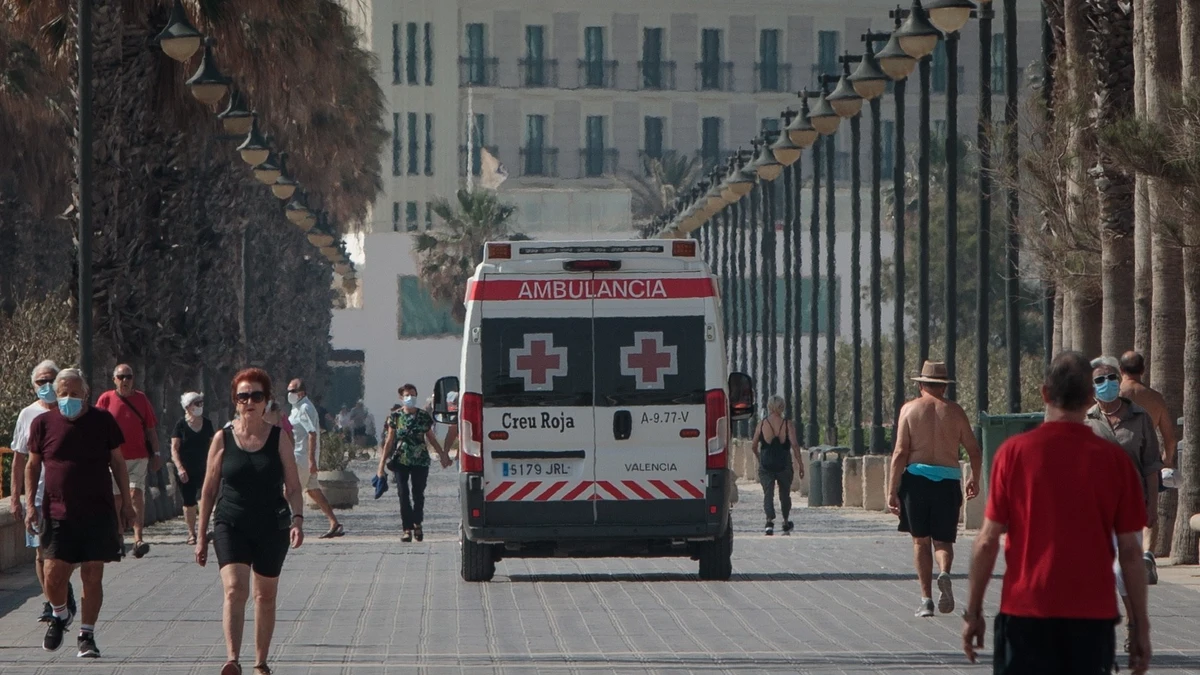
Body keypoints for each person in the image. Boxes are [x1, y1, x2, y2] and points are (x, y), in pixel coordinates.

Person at [962, 352, 1151, 675]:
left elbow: (986, 541)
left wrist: (974, 612)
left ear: (1045, 393)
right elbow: (1131, 552)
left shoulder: (1013, 454)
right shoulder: (1115, 462)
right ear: (1090, 398)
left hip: (1025, 612)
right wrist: (1140, 628)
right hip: (1091, 617)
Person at [196, 368, 305, 675]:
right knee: (234, 589)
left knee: (264, 595)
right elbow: (209, 489)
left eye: (256, 396)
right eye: (243, 396)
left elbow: (293, 487)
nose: (249, 402)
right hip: (231, 523)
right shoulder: (222, 438)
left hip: (271, 525)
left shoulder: (279, 438)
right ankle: (232, 659)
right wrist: (201, 535)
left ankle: (260, 662)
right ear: (235, 401)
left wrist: (298, 519)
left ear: (266, 400)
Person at [25, 368, 134, 657]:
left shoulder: (102, 420)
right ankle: (60, 613)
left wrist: (127, 503)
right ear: (55, 394)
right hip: (56, 511)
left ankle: (87, 635)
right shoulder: (42, 423)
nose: (68, 398)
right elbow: (32, 465)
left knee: (92, 573)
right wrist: (29, 506)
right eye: (63, 393)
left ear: (86, 394)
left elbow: (118, 462)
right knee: (52, 572)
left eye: (74, 393)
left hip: (97, 511)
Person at [888, 361, 982, 618]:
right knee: (943, 540)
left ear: (921, 385)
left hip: (916, 481)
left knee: (920, 541)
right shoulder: (955, 412)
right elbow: (974, 451)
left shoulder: (909, 410)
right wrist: (974, 478)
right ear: (944, 387)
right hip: (948, 482)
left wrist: (892, 489)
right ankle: (944, 572)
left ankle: (926, 600)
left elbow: (900, 452)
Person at [1086, 355, 1162, 641]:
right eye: (1099, 379)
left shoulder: (1140, 418)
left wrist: (1152, 506)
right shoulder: (1086, 421)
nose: (1106, 383)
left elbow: (1151, 466)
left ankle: (1133, 622)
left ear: (1119, 380)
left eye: (1111, 377)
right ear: (1091, 386)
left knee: (1122, 569)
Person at [10, 360, 76, 623]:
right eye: (41, 382)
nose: (47, 385)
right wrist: (16, 499)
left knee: (64, 553)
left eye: (51, 380)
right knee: (41, 553)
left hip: (68, 496)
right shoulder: (27, 414)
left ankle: (62, 588)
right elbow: (19, 459)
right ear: (33, 386)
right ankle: (52, 601)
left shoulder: (71, 411)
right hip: (37, 498)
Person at [95, 364, 160, 559]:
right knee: (116, 498)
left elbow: (150, 429)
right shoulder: (105, 399)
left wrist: (156, 454)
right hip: (114, 459)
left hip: (138, 456)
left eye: (128, 377)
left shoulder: (141, 399)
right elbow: (96, 428)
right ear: (114, 379)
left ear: (133, 379)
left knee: (135, 494)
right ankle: (119, 536)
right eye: (121, 377)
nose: (125, 380)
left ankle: (138, 539)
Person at [1119, 350, 1178, 557]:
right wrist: (1167, 460)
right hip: (1147, 459)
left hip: (1117, 457)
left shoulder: (1114, 396)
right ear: (1143, 370)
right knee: (1149, 508)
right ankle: (1147, 555)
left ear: (1121, 370)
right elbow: (1170, 438)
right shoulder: (1155, 398)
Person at [376, 384, 448, 542]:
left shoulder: (423, 416)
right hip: (401, 460)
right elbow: (389, 441)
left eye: (413, 395)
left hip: (420, 460)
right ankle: (407, 529)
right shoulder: (395, 417)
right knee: (403, 494)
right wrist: (381, 465)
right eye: (407, 395)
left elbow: (431, 438)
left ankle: (417, 523)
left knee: (418, 493)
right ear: (401, 397)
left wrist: (443, 455)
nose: (410, 398)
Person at [286, 379, 344, 539]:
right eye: (288, 390)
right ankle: (334, 522)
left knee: (289, 491)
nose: (289, 394)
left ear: (301, 392)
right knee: (313, 490)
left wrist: (311, 459)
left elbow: (312, 433)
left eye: (293, 391)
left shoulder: (305, 408)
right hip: (300, 456)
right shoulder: (296, 407)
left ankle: (285, 524)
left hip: (302, 458)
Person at [751, 396, 804, 536]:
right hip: (784, 464)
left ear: (769, 407)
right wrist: (800, 464)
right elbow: (795, 445)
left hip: (766, 464)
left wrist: (759, 457)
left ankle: (769, 522)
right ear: (782, 407)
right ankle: (785, 522)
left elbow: (754, 445)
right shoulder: (787, 424)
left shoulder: (762, 424)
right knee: (785, 494)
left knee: (768, 493)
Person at [171, 392, 215, 546]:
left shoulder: (207, 424)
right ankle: (191, 533)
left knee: (205, 498)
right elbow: (174, 448)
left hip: (204, 467)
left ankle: (204, 530)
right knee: (189, 501)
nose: (200, 406)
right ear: (187, 406)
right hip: (186, 469)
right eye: (196, 403)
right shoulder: (180, 425)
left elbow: (213, 445)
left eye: (201, 402)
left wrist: (214, 465)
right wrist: (179, 468)